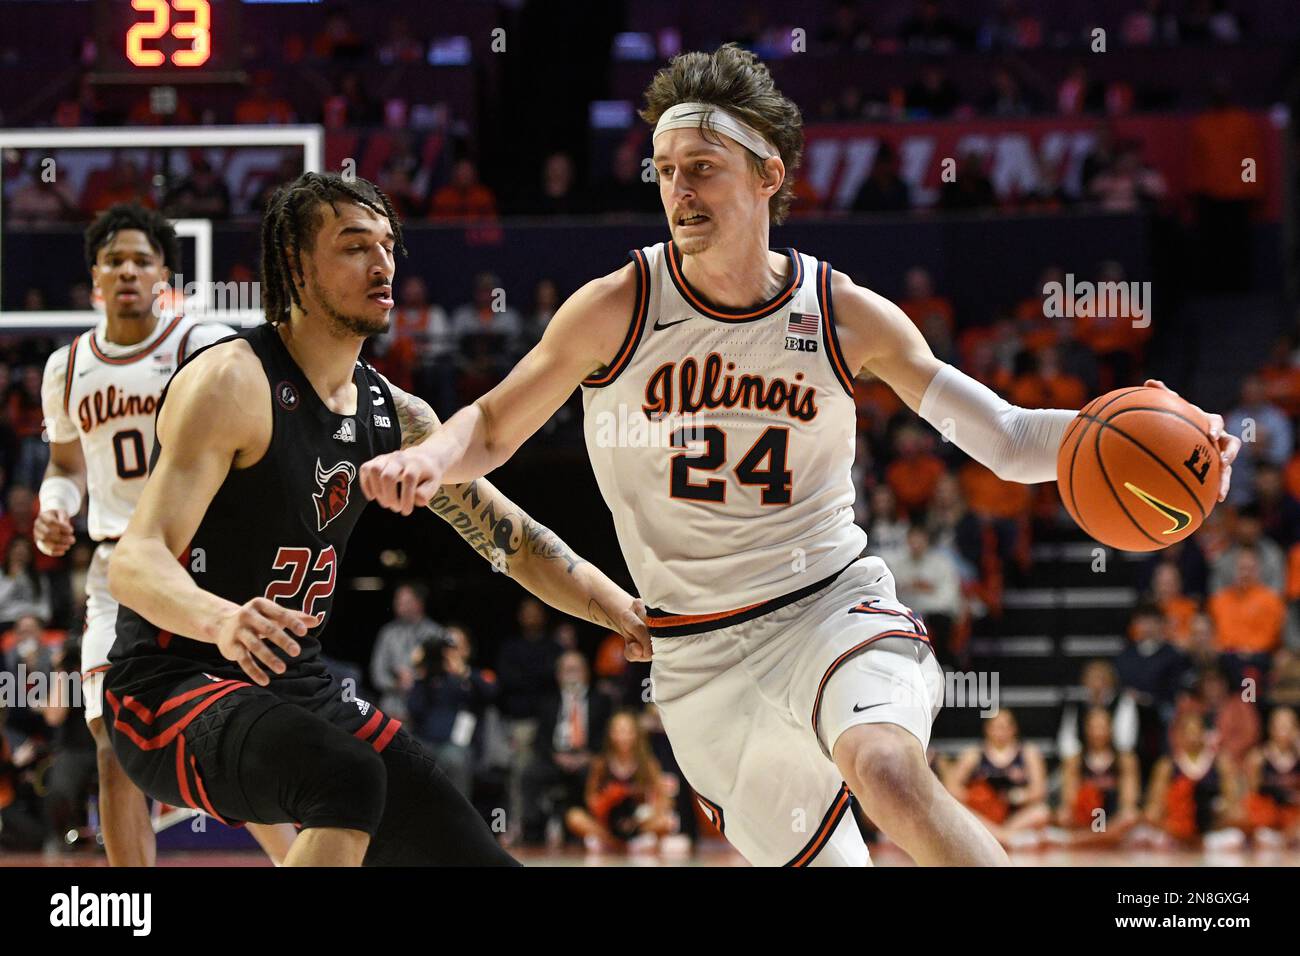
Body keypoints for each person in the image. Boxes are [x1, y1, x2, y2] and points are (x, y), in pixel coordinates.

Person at [359, 44, 1241, 867]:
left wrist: (1177, 430)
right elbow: (496, 425)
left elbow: (1007, 439)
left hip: (829, 605)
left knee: (888, 772)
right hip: (699, 657)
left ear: (768, 173)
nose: (679, 192)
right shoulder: (615, 308)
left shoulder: (840, 312)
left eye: (702, 168)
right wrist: (434, 458)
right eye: (665, 172)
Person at [103, 172, 649, 866]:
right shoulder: (231, 382)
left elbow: (515, 543)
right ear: (298, 267)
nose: (383, 263)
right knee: (348, 775)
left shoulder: (396, 415)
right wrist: (221, 619)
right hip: (171, 690)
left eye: (389, 246)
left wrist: (623, 611)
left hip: (297, 689)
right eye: (355, 246)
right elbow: (133, 559)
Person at [32, 202, 295, 867]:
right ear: (95, 278)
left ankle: (304, 863)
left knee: (225, 736)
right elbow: (65, 465)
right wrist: (55, 507)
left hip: (197, 564)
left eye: (141, 260)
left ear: (163, 277)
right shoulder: (65, 368)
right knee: (113, 741)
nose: (126, 270)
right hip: (114, 569)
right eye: (113, 260)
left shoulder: (198, 345)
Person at [566, 710, 676, 854]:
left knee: (666, 822)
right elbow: (590, 797)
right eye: (618, 731)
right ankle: (615, 842)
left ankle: (627, 840)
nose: (623, 737)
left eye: (627, 731)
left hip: (637, 822)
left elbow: (665, 797)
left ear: (636, 734)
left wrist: (651, 813)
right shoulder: (601, 763)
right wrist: (606, 801)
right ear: (610, 734)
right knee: (574, 816)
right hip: (607, 823)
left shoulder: (647, 763)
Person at [948, 709, 1050, 849]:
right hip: (984, 815)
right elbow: (951, 787)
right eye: (996, 727)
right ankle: (1007, 838)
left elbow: (1039, 790)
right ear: (987, 729)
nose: (1000, 732)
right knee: (960, 812)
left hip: (1015, 815)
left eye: (1004, 727)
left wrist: (1020, 796)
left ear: (1014, 728)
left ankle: (998, 837)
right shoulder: (974, 754)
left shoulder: (1028, 752)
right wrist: (974, 796)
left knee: (1041, 812)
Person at [369, 582, 444, 719]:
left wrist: (416, 679)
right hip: (392, 709)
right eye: (397, 600)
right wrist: (396, 683)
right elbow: (377, 673)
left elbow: (443, 675)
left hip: (426, 711)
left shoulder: (435, 634)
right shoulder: (388, 633)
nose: (398, 604)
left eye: (405, 601)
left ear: (418, 603)